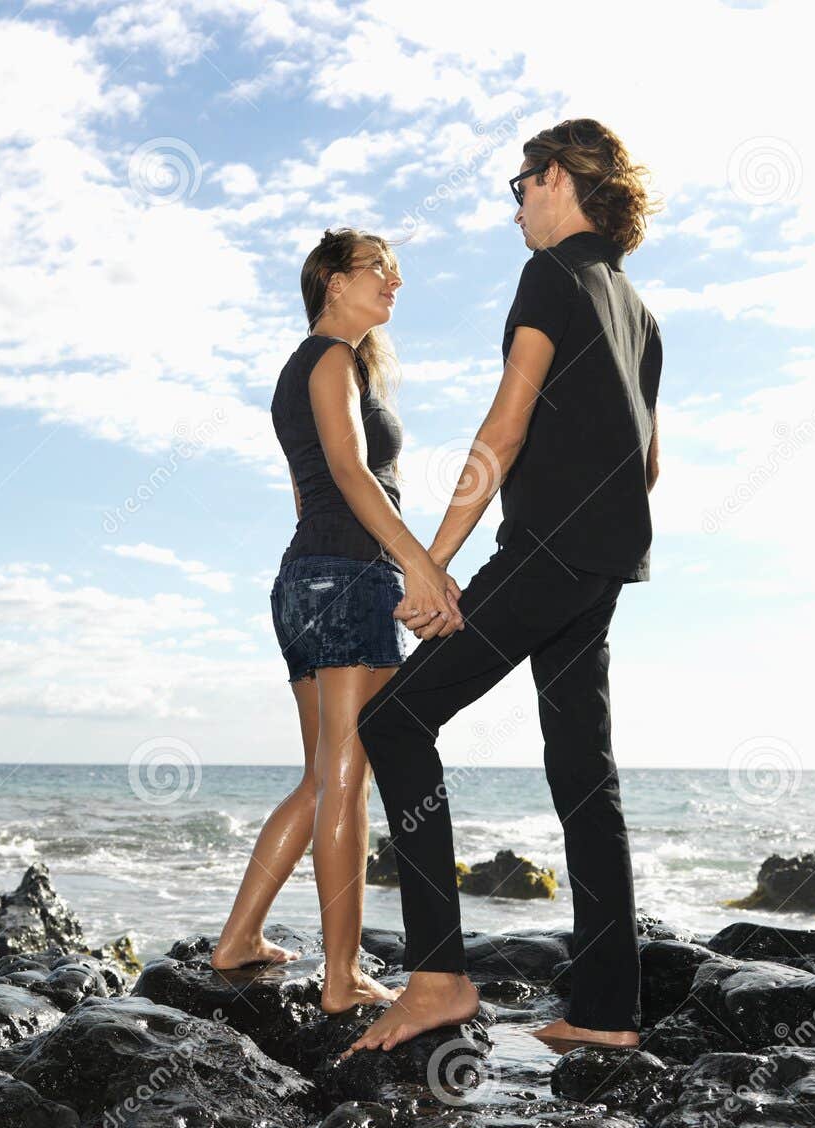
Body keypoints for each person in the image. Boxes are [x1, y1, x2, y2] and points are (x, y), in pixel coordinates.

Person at [342, 118, 664, 1056]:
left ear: (555, 179)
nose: (516, 206)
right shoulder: (642, 313)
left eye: (520, 187)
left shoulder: (552, 275)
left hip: (548, 551)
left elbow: (504, 427)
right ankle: (606, 1011)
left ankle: (438, 975)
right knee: (583, 773)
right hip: (606, 558)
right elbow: (647, 464)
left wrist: (433, 561)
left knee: (394, 721)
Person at [211, 227, 466, 1013]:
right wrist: (420, 563)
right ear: (334, 282)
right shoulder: (328, 360)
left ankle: (238, 940)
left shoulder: (309, 368)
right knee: (349, 782)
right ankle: (340, 977)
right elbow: (353, 475)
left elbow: (308, 490)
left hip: (305, 580)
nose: (394, 284)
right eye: (379, 271)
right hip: (348, 577)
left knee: (326, 777)